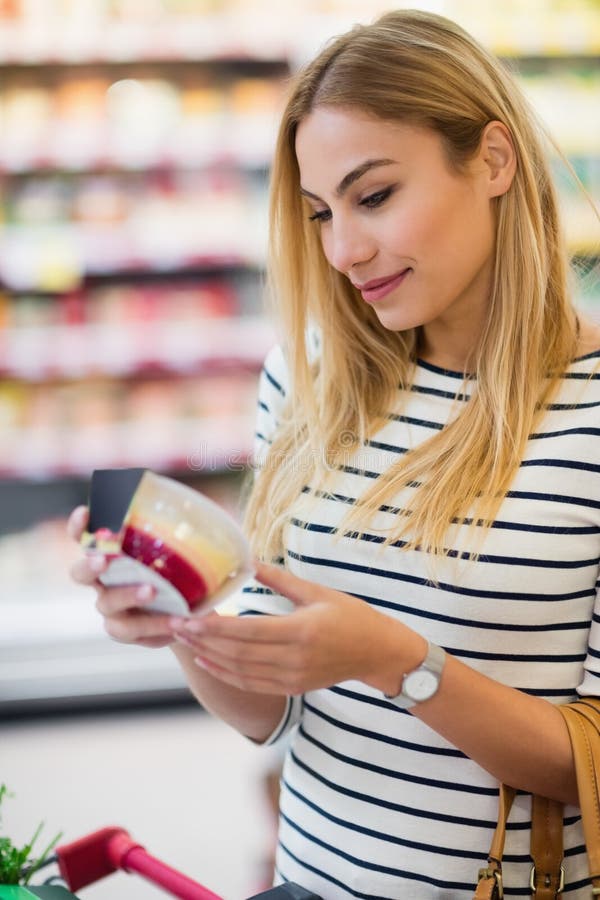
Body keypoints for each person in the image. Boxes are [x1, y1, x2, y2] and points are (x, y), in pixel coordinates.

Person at [68, 9, 600, 898]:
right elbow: (274, 718)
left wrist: (397, 661)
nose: (344, 250)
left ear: (494, 161)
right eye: (320, 212)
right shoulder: (309, 377)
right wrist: (179, 621)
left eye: (375, 195)